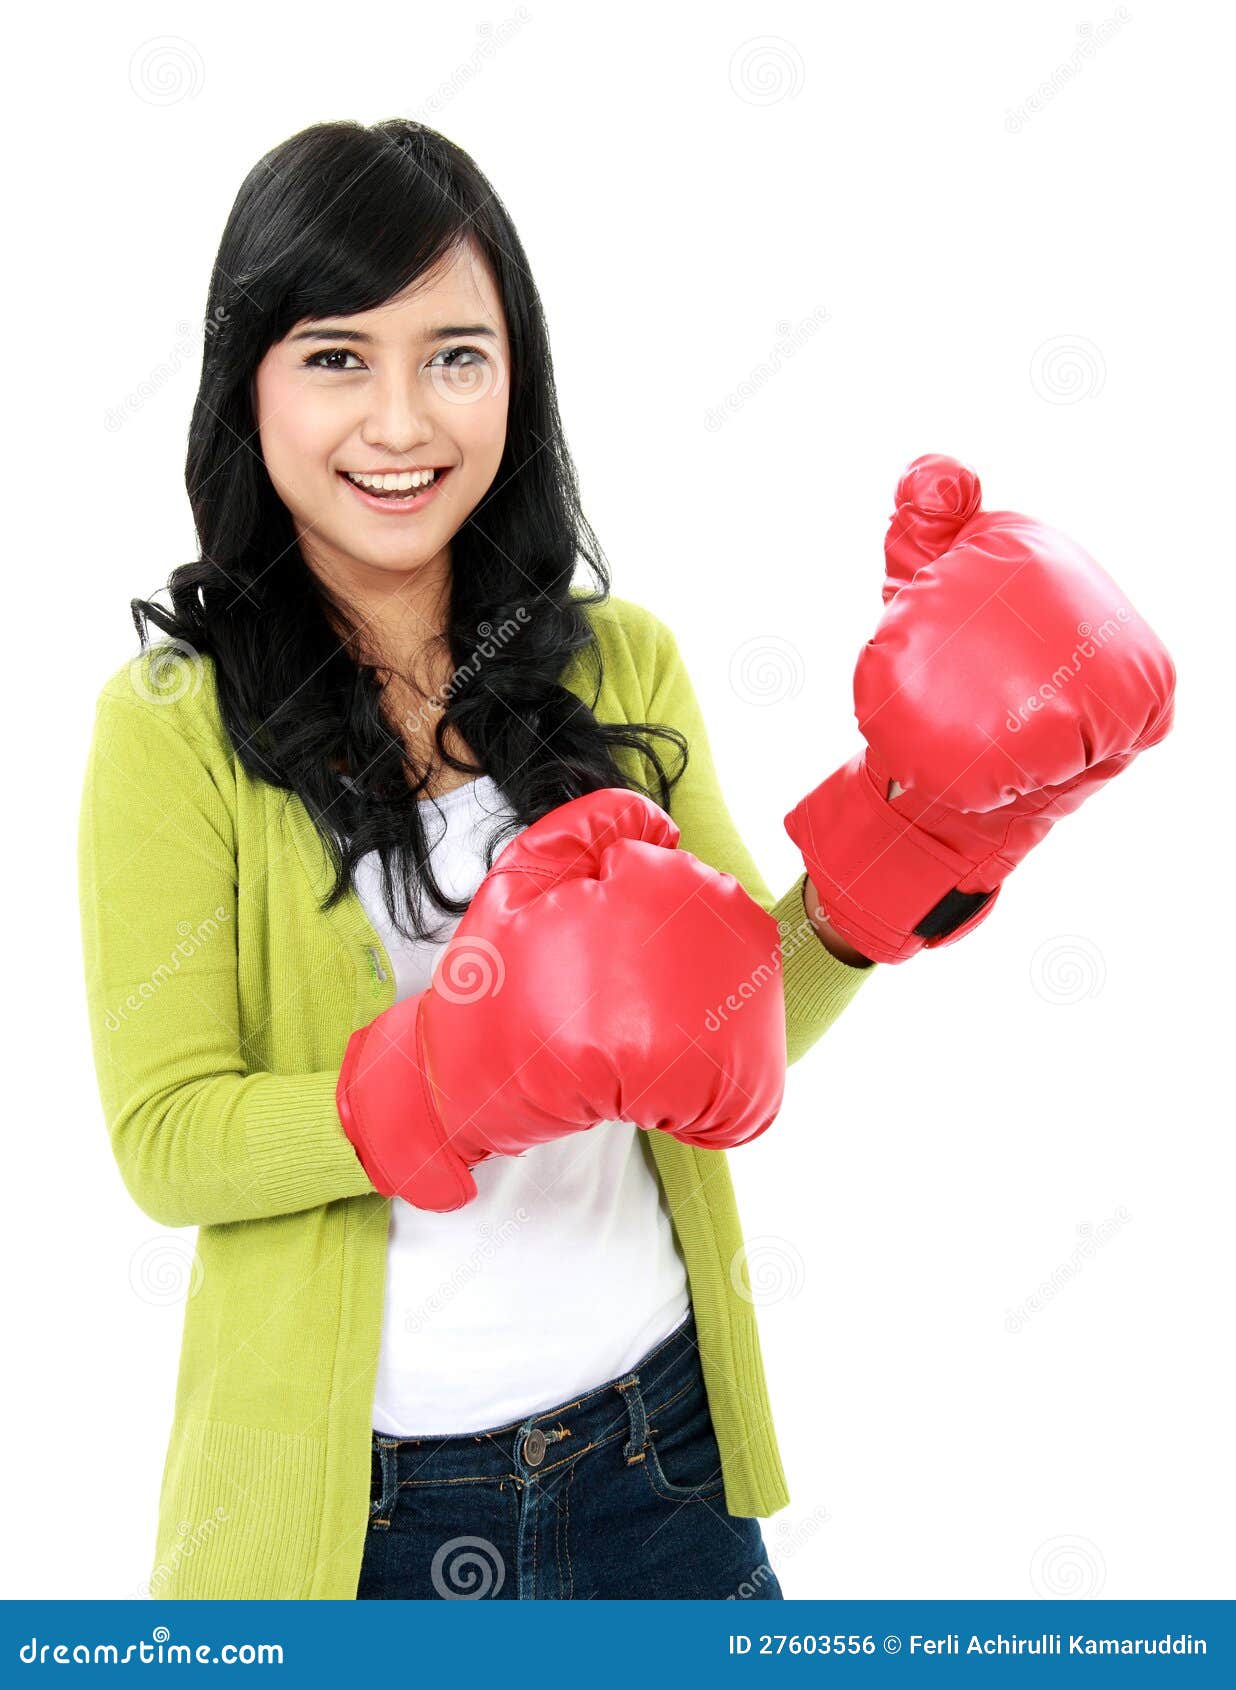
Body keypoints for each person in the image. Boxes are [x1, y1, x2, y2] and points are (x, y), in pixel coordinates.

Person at [76, 118, 1173, 1602]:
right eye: (337, 356)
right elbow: (169, 1137)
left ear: (515, 377)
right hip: (360, 1516)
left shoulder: (617, 661)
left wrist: (909, 837)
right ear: (248, 384)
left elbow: (741, 1023)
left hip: (658, 1457)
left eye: (455, 354)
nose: (400, 419)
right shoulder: (172, 725)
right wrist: (441, 1078)